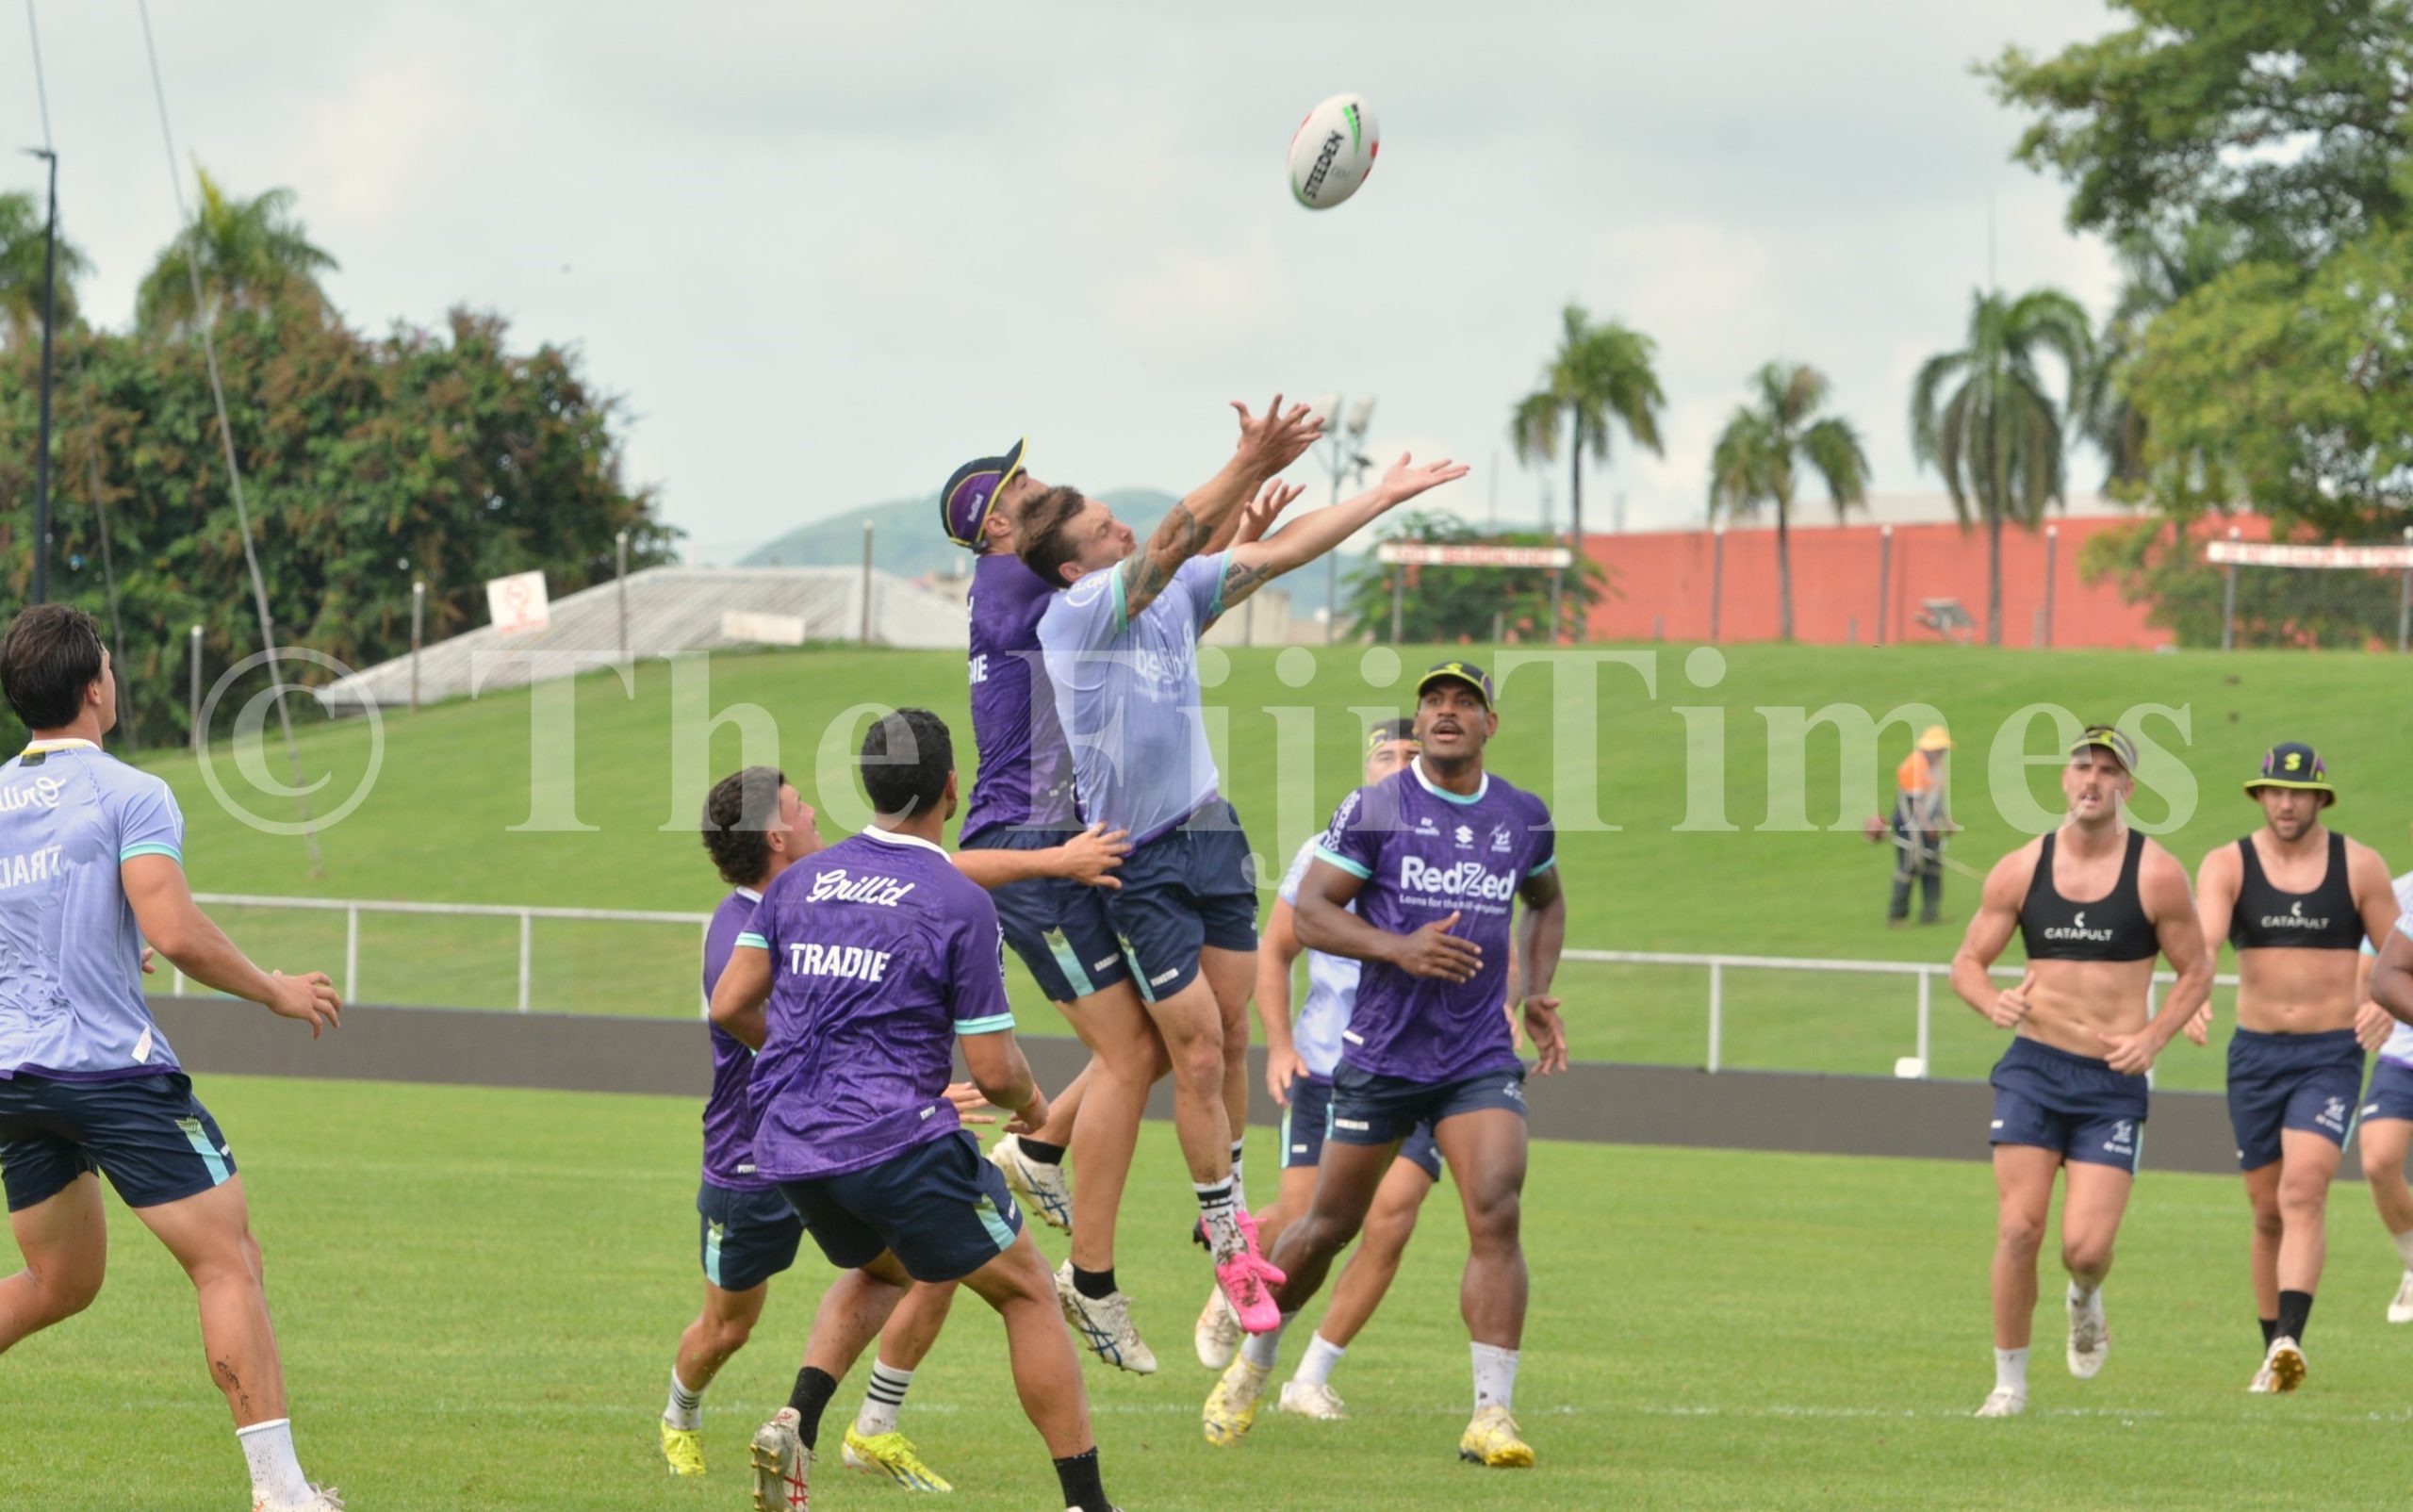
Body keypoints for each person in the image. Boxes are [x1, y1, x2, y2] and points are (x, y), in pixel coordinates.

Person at [939, 435, 1292, 1372]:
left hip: (1085, 840)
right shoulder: (1020, 580)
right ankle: (1087, 1278)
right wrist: (1245, 470)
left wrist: (1218, 550)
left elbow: (1156, 597)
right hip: (1037, 848)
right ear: (1002, 526)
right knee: (1139, 1054)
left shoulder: (1036, 586)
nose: (1045, 485)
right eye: (1024, 485)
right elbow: (1154, 554)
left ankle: (1047, 1155)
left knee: (1166, 1046)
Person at [709, 710, 1119, 1512]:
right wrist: (1037, 1110)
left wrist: (806, 1064)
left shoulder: (797, 882)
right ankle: (1088, 1505)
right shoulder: (955, 900)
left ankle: (798, 1420)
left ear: (868, 786)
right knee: (1028, 1290)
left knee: (883, 1268)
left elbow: (730, 1003)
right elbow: (996, 1070)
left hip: (790, 1142)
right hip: (890, 1137)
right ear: (952, 788)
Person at [0, 604, 347, 1512]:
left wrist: (111, 947)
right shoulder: (131, 793)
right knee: (228, 1261)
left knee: (59, 1283)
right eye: (107, 667)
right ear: (92, 689)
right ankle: (283, 1495)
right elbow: (178, 932)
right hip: (111, 1072)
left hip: (12, 1079)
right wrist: (274, 988)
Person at [1199, 662, 1568, 1469]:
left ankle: (1492, 1416)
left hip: (1475, 1058)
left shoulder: (1521, 816)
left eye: (1463, 703)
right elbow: (1315, 914)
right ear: (1420, 720)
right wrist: (1397, 947)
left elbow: (1545, 899)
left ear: (1487, 725)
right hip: (1382, 1056)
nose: (1446, 712)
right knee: (1328, 1226)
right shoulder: (1376, 810)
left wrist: (1537, 993)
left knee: (1497, 1209)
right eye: (1434, 701)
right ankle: (1257, 1364)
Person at [1947, 725, 2213, 1420]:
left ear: (2127, 786)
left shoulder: (2156, 873)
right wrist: (1990, 1000)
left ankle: (2086, 1297)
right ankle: (2009, 1384)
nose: (2091, 780)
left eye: (2107, 770)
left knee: (2085, 1248)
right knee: (2018, 1230)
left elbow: (2198, 968)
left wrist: (2154, 1038)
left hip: (2109, 1085)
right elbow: (1965, 964)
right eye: (2081, 767)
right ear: (2065, 781)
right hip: (2033, 1070)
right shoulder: (2021, 868)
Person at [1190, 718, 1450, 1420]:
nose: (1397, 765)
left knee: (1391, 1219)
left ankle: (1307, 1377)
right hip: (1329, 1064)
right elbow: (1275, 951)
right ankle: (1237, 1270)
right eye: (1385, 754)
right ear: (1367, 767)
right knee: (1312, 1220)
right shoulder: (1325, 851)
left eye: (1411, 754)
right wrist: (1279, 1044)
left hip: (1425, 1067)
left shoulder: (1451, 848)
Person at [2188, 743, 2397, 1391]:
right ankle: (2271, 1353)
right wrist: (2188, 1000)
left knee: (2304, 1189)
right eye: (2275, 790)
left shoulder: (2359, 866)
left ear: (2320, 799)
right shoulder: (2228, 864)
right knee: (2266, 1210)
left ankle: (2290, 1339)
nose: (2286, 802)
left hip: (2328, 1056)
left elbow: (2397, 956)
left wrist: (2386, 1008)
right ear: (2259, 796)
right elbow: (2201, 945)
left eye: (2298, 791)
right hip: (2254, 1056)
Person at [2356, 856, 2413, 1325]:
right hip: (2404, 1053)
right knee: (2378, 1160)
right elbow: (2372, 971)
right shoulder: (2400, 894)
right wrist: (2373, 1007)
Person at [1886, 725, 1953, 927]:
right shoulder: (1915, 765)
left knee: (1933, 866)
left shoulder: (1937, 765)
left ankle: (1930, 914)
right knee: (1909, 868)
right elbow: (1915, 803)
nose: (1943, 752)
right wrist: (1927, 826)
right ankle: (1897, 916)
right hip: (1910, 827)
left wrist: (1946, 821)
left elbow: (1937, 798)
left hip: (1927, 825)